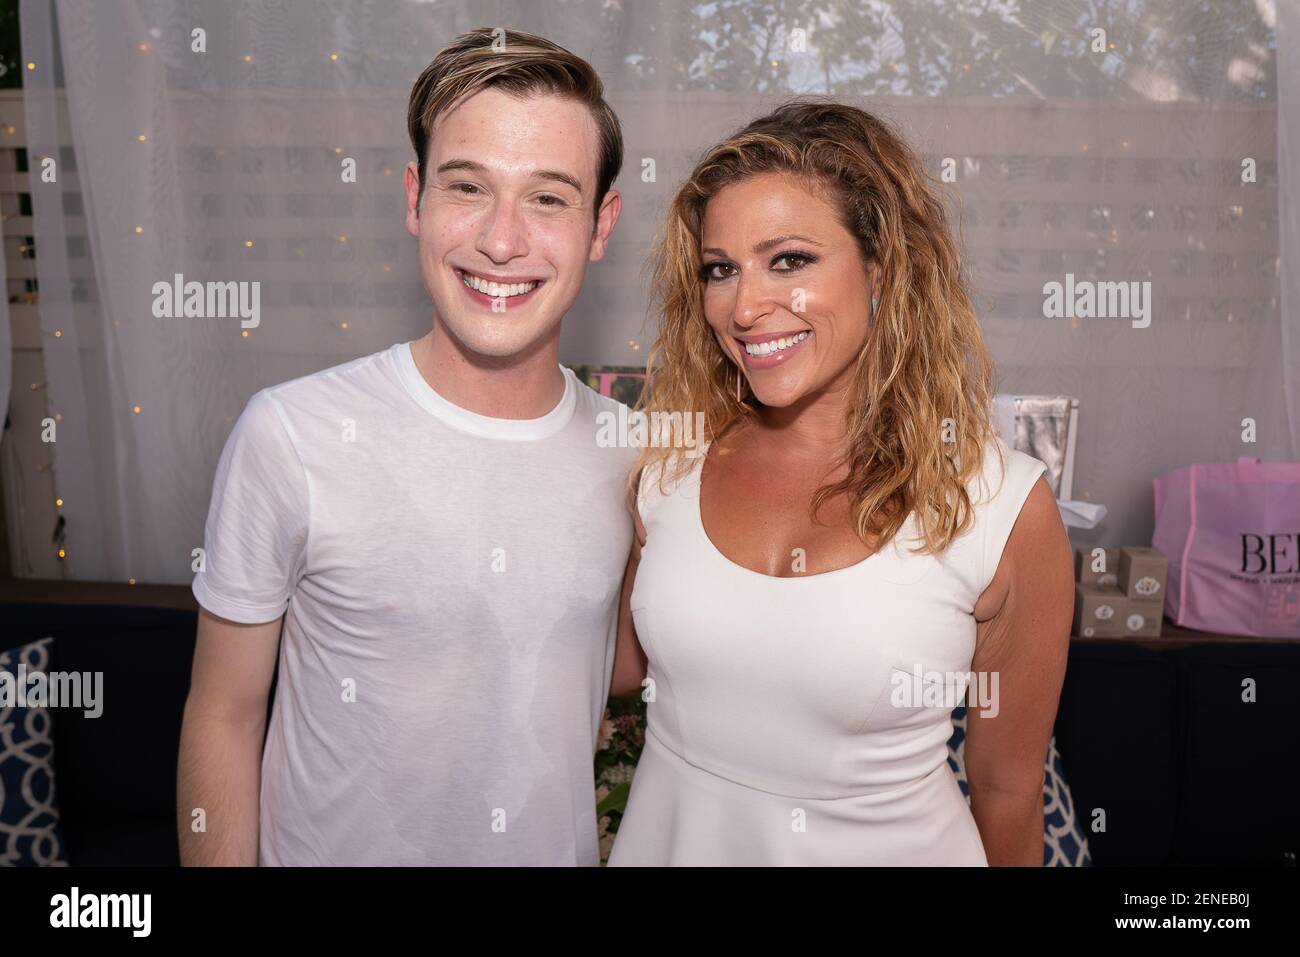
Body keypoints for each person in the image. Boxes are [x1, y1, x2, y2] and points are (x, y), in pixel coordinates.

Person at [177, 27, 633, 866]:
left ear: (600, 223)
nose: (503, 240)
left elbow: (619, 667)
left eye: (548, 197)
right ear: (415, 197)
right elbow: (223, 713)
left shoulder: (634, 457)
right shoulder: (290, 434)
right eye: (469, 187)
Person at [606, 100, 1074, 866]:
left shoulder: (1000, 506)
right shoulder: (667, 465)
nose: (746, 307)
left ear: (882, 268)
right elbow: (614, 667)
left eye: (788, 259)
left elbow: (1008, 790)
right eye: (721, 269)